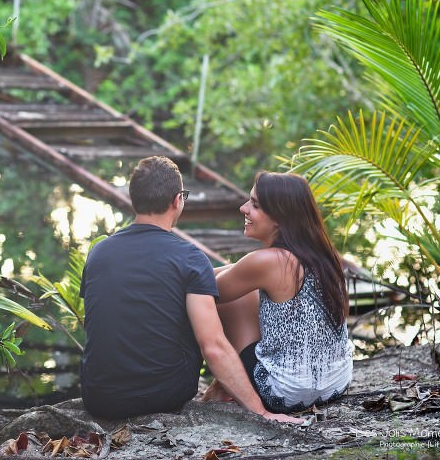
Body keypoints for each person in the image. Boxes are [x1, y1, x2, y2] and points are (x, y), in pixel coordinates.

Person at [79, 156, 301, 423]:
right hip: (164, 395)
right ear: (177, 200)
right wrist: (261, 412)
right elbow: (213, 346)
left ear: (133, 199)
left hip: (100, 398)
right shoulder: (189, 257)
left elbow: (104, 320)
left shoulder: (98, 252)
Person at [202, 171, 353, 412]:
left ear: (280, 218)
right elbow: (239, 270)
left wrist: (171, 274)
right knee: (243, 285)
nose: (243, 208)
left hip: (283, 393)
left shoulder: (265, 262)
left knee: (232, 299)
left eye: (255, 205)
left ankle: (224, 384)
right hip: (335, 385)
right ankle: (222, 385)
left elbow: (203, 288)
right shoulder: (324, 256)